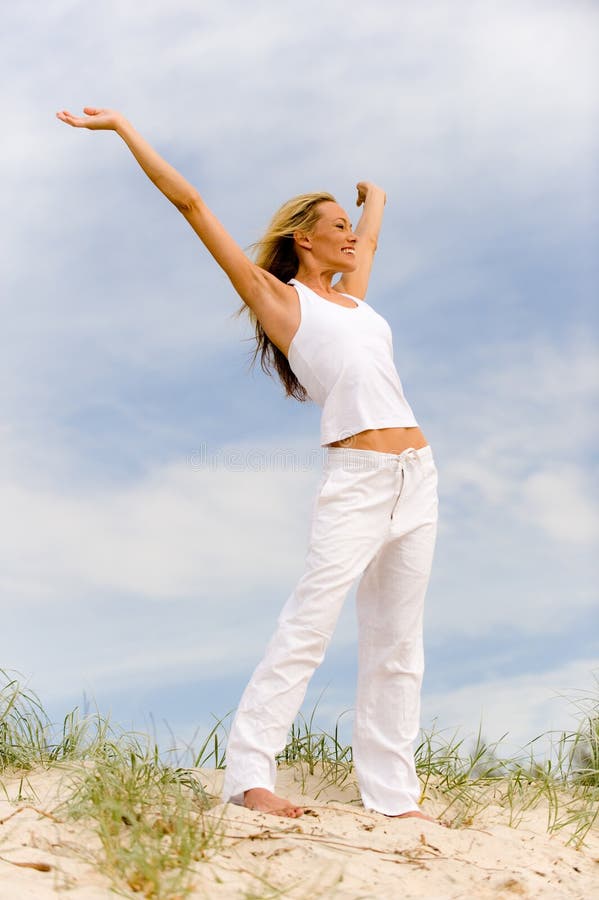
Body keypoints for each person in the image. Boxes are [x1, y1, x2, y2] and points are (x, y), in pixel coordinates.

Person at [56, 107, 439, 823]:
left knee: (398, 643)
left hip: (417, 479)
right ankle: (249, 775)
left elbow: (373, 234)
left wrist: (371, 198)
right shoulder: (279, 301)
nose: (353, 239)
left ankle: (393, 797)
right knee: (310, 625)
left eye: (353, 232)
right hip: (356, 482)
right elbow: (191, 203)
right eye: (339, 229)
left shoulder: (355, 301)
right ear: (304, 239)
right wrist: (124, 129)